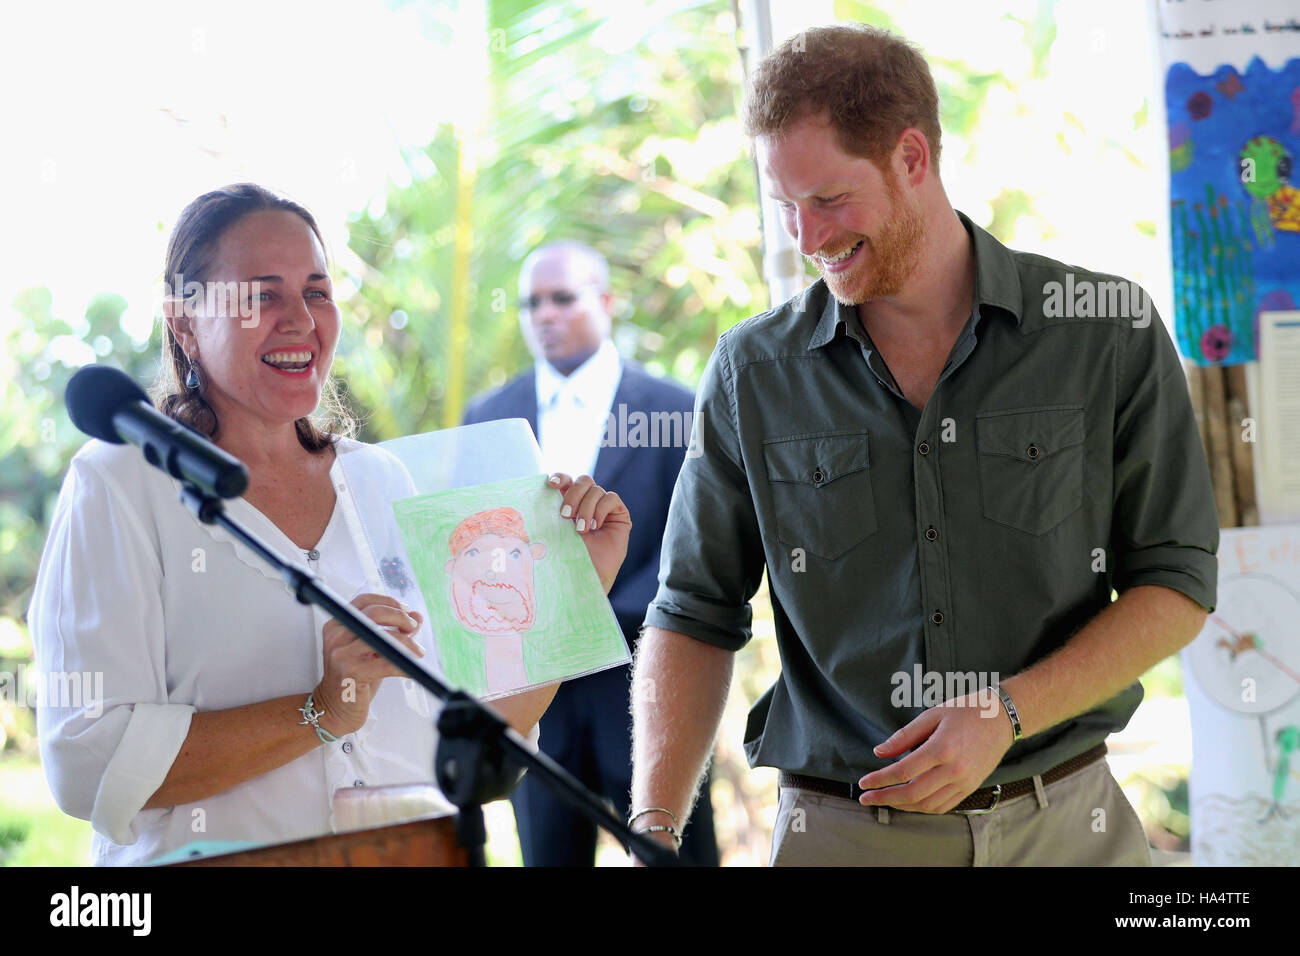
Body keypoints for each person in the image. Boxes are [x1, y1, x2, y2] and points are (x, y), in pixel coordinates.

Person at [630, 24, 1219, 866]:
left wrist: (1004, 711)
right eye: (785, 207)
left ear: (913, 157)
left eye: (829, 200)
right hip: (841, 835)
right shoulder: (751, 372)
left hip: (1068, 828)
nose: (806, 237)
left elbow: (1178, 580)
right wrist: (651, 827)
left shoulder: (1105, 334)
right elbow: (692, 611)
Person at [28, 184, 630, 866]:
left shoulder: (380, 481)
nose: (299, 319)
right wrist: (320, 710)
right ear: (186, 323)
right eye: (262, 295)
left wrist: (577, 588)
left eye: (317, 291)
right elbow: (88, 762)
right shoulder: (119, 481)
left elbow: (464, 732)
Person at [464, 241, 720, 866]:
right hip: (538, 691)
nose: (543, 314)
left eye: (562, 298)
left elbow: (697, 548)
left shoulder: (673, 408)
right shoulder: (490, 416)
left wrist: (588, 615)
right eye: (530, 303)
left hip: (647, 675)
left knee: (676, 855)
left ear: (606, 302)